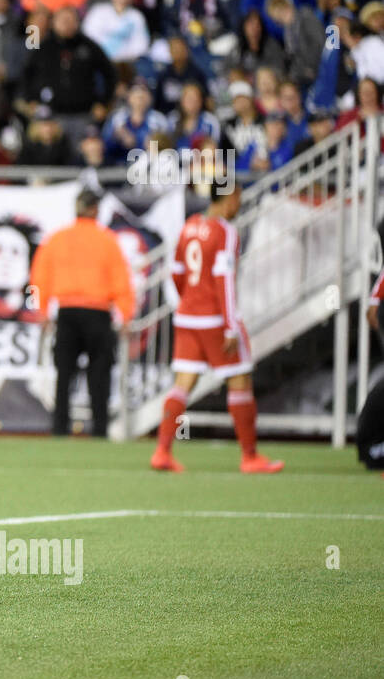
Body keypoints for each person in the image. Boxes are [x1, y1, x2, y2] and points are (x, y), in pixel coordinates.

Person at [151, 182, 285, 474]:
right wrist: (229, 326)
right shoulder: (226, 232)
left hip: (187, 316)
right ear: (229, 198)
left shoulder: (189, 226)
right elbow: (224, 279)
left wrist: (189, 298)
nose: (239, 204)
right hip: (214, 318)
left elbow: (175, 272)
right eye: (238, 198)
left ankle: (162, 451)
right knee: (240, 381)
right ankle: (250, 457)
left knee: (183, 383)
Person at [29, 188, 134, 438]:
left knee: (64, 374)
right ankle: (99, 430)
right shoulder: (107, 240)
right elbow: (121, 280)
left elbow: (38, 277)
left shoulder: (57, 238)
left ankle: (59, 428)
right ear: (96, 210)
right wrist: (125, 313)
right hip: (97, 313)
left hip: (67, 313)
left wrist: (40, 310)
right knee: (100, 375)